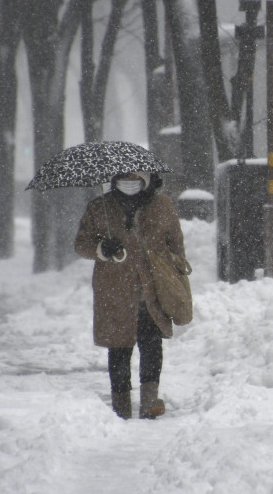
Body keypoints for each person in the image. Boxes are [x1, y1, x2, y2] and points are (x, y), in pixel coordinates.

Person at [74, 170, 187, 420]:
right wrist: (102, 248)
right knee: (118, 347)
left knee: (151, 344)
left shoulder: (162, 205)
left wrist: (170, 266)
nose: (130, 181)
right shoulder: (100, 207)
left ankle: (149, 402)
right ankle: (121, 406)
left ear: (147, 177)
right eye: (124, 176)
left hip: (151, 287)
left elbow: (176, 244)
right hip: (113, 289)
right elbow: (81, 243)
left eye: (136, 176)